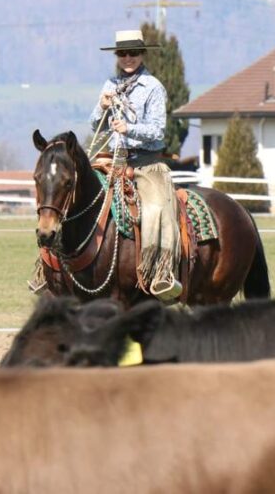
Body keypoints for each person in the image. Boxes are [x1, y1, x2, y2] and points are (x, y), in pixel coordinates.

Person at [28, 29, 182, 303]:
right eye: (122, 53)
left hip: (146, 164)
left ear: (142, 54)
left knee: (157, 207)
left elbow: (158, 132)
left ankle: (161, 272)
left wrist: (129, 128)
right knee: (70, 197)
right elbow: (93, 125)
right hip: (113, 160)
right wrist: (101, 107)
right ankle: (48, 269)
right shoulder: (110, 84)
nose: (128, 58)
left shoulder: (153, 88)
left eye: (133, 52)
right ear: (116, 56)